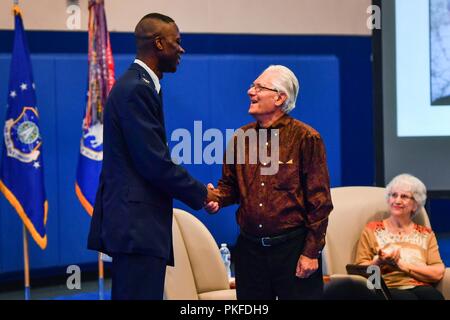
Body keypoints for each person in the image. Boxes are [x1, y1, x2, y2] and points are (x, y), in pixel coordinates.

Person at [87, 13, 219, 300]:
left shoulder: (142, 86)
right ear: (159, 44)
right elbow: (154, 163)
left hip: (137, 226)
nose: (181, 49)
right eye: (177, 42)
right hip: (136, 227)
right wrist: (202, 193)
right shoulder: (137, 89)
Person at [205, 65, 333, 300]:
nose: (249, 92)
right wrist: (216, 199)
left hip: (293, 250)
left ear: (279, 97)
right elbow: (230, 187)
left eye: (258, 87)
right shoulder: (240, 139)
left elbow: (320, 202)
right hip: (250, 252)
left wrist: (311, 252)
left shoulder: (306, 138)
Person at [355, 173, 445, 300]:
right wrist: (378, 261)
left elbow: (437, 272)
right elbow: (358, 270)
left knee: (434, 296)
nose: (397, 200)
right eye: (394, 195)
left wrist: (401, 265)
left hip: (420, 286)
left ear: (415, 204)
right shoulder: (372, 230)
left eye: (404, 196)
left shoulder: (426, 234)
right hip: (387, 287)